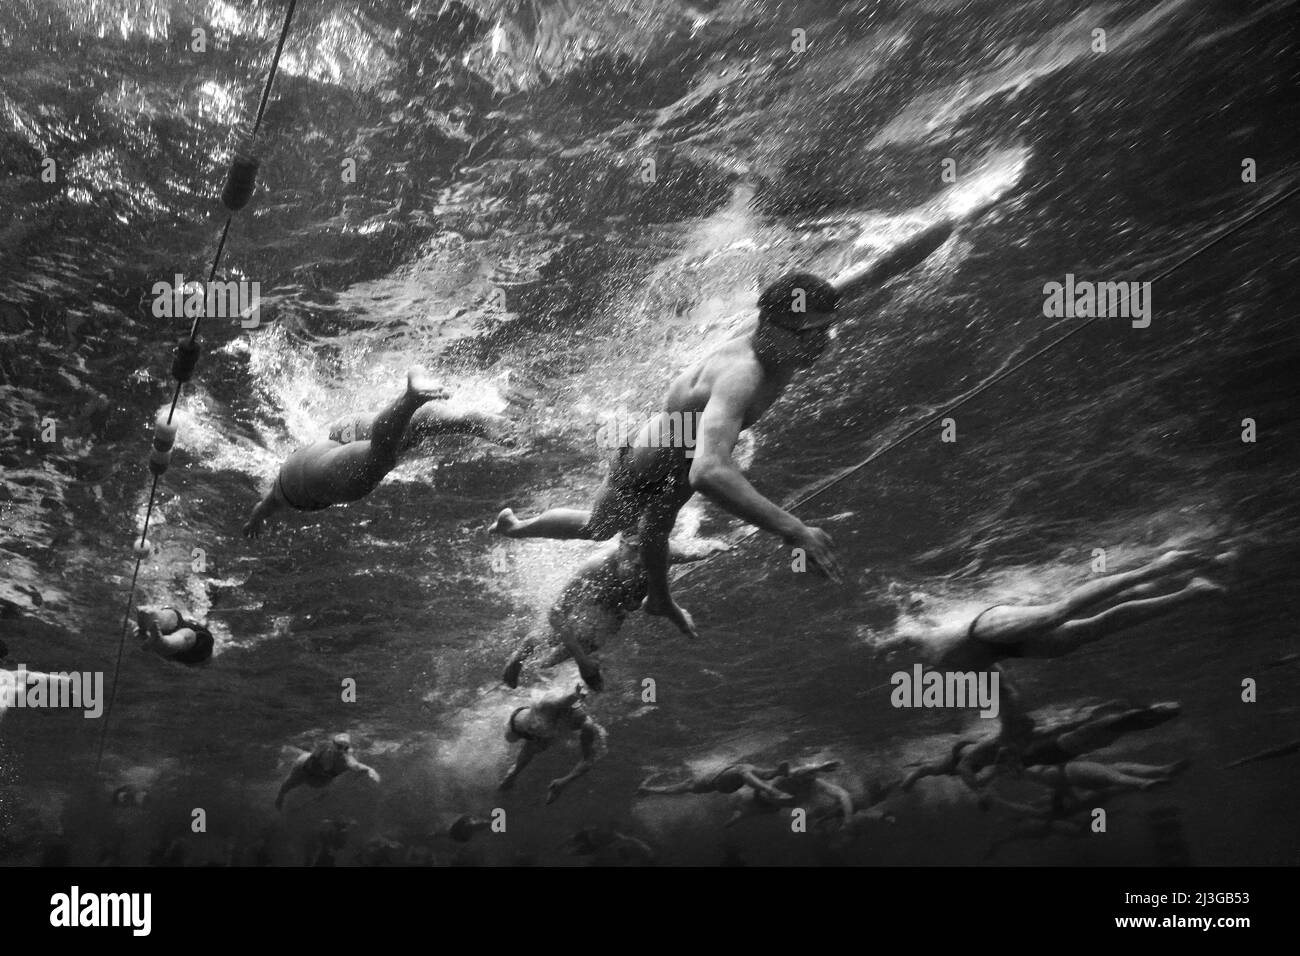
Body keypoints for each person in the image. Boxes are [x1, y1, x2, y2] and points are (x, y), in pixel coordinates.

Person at [491, 217, 964, 637]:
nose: (824, 343)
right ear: (772, 327)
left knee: (654, 536)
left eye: (828, 329)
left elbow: (880, 270)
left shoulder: (795, 325)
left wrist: (952, 221)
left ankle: (659, 599)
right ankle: (517, 527)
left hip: (680, 460)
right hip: (650, 464)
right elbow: (709, 472)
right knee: (602, 528)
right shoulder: (742, 374)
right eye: (812, 334)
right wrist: (793, 529)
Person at [885, 549, 1231, 672]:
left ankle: (1158, 567)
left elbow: (896, 636)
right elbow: (998, 687)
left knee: (1059, 612)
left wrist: (880, 648)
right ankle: (1192, 593)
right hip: (1007, 651)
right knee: (1092, 631)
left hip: (984, 628)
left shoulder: (914, 633)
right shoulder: (935, 655)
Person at [503, 533, 731, 691]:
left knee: (597, 640)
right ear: (621, 549)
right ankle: (519, 656)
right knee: (562, 635)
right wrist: (582, 661)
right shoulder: (595, 567)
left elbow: (698, 550)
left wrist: (715, 546)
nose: (639, 568)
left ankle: (548, 663)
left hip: (622, 603)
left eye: (644, 566)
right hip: (598, 593)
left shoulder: (665, 554)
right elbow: (556, 613)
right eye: (633, 563)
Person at [243, 368, 449, 537]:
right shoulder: (281, 484)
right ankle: (467, 419)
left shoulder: (281, 496)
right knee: (407, 435)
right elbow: (259, 511)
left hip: (312, 477)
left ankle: (411, 396)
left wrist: (254, 524)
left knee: (379, 456)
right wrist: (255, 521)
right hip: (329, 441)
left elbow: (260, 511)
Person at [499, 683, 608, 804]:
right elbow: (567, 699)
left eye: (575, 724)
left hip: (545, 729)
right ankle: (513, 774)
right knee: (511, 738)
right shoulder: (551, 705)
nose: (573, 726)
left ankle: (513, 774)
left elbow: (588, 759)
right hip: (522, 722)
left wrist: (564, 781)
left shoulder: (586, 724)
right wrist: (577, 694)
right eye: (571, 720)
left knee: (540, 745)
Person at [723, 761, 853, 828]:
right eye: (808, 775)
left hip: (773, 806)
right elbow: (797, 771)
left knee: (771, 809)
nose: (808, 779)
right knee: (744, 803)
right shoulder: (788, 776)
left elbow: (843, 794)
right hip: (758, 797)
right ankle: (739, 814)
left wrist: (848, 820)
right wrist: (818, 768)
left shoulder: (816, 784)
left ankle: (741, 814)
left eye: (812, 776)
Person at [275, 733, 380, 810]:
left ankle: (307, 805)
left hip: (321, 779)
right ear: (333, 745)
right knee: (287, 785)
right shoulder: (323, 748)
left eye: (345, 748)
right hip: (304, 769)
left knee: (325, 790)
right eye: (339, 747)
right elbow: (314, 761)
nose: (341, 750)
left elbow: (357, 766)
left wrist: (370, 770)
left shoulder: (347, 759)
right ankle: (280, 798)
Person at [637, 761, 797, 802]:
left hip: (726, 778)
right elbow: (668, 790)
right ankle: (771, 790)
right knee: (743, 770)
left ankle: (776, 773)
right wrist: (648, 790)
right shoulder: (690, 784)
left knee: (748, 767)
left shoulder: (700, 774)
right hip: (720, 784)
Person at [135, 605, 214, 666]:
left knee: (184, 631)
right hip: (190, 640)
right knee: (183, 632)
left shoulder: (200, 634)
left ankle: (150, 615)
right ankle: (162, 641)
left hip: (190, 634)